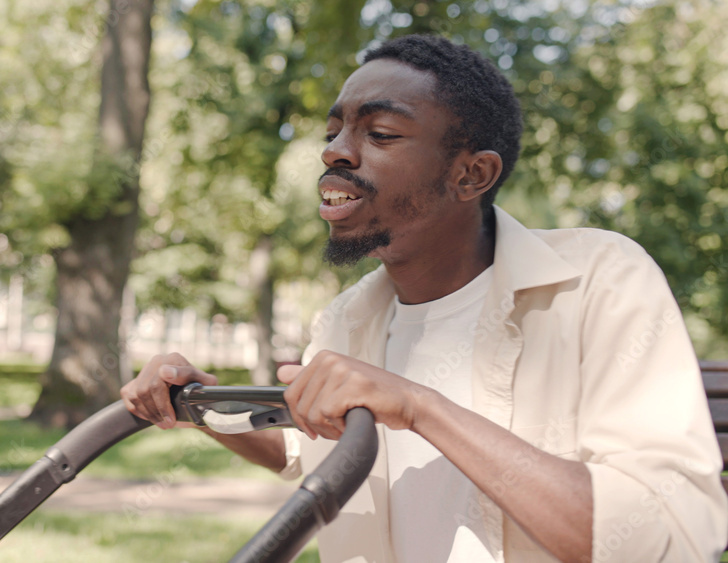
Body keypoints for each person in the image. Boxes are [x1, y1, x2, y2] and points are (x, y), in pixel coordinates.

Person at [121, 34, 728, 562]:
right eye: (334, 131)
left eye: (380, 133)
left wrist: (417, 405)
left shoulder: (598, 279)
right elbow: (304, 448)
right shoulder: (347, 317)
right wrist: (196, 402)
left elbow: (665, 537)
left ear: (472, 175)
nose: (334, 151)